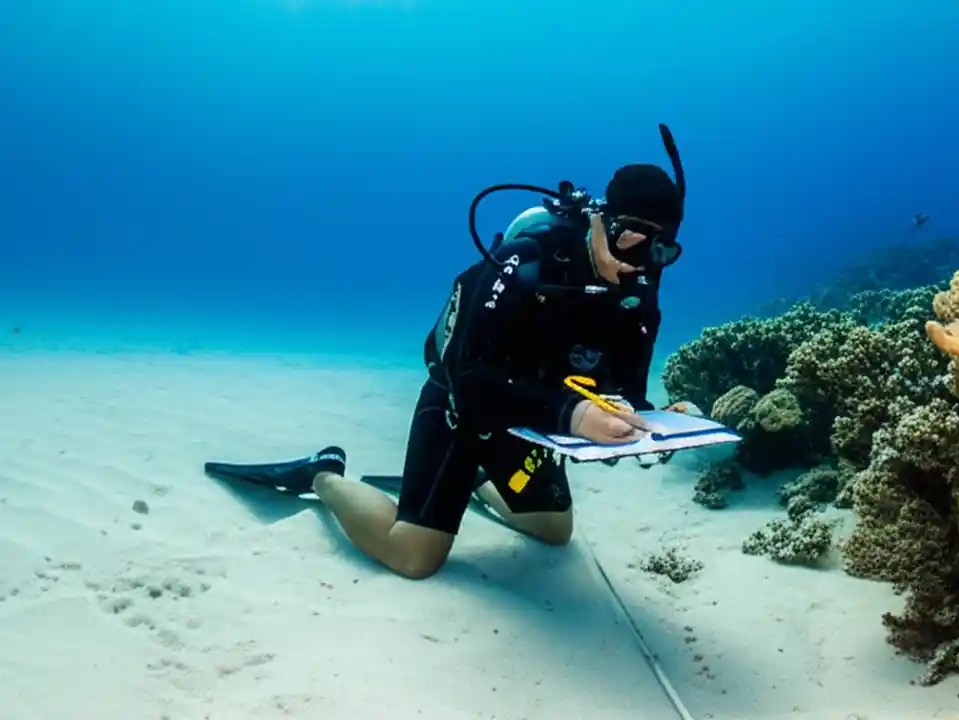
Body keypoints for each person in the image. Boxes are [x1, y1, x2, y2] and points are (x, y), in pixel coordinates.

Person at [205, 125, 689, 579]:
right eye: (631, 238)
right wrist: (576, 415)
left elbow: (624, 392)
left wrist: (660, 422)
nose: (641, 263)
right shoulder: (527, 261)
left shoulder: (637, 300)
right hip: (461, 411)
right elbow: (469, 376)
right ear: (601, 222)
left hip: (530, 418)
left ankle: (475, 484)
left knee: (554, 531)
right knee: (414, 555)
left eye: (660, 249)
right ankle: (324, 474)